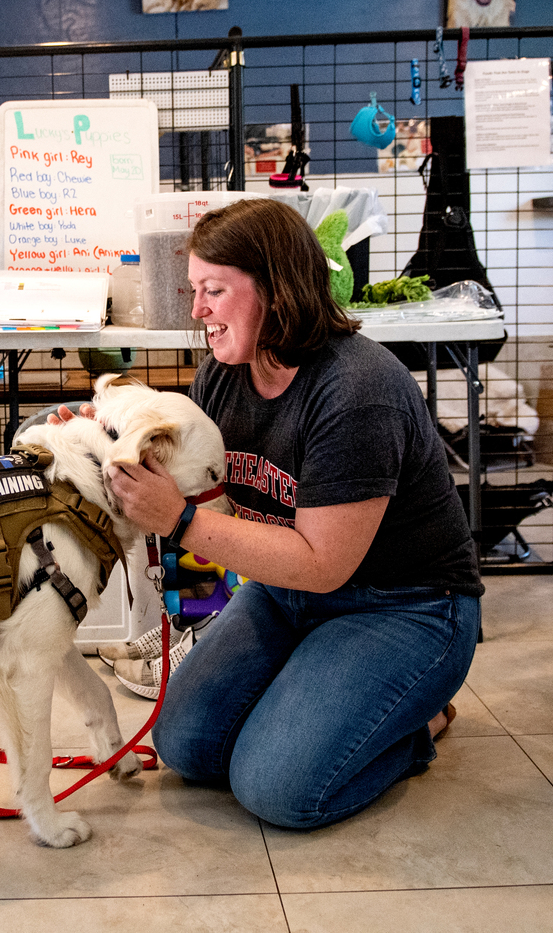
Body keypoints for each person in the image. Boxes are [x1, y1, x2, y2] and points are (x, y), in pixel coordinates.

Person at [69, 197, 482, 829]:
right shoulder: (221, 376)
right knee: (185, 747)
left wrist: (177, 519)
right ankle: (324, 696)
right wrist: (100, 442)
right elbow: (197, 500)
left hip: (406, 606)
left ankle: (420, 720)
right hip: (284, 594)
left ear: (277, 289)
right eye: (194, 290)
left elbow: (322, 565)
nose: (198, 309)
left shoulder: (357, 392)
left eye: (215, 290)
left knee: (278, 790)